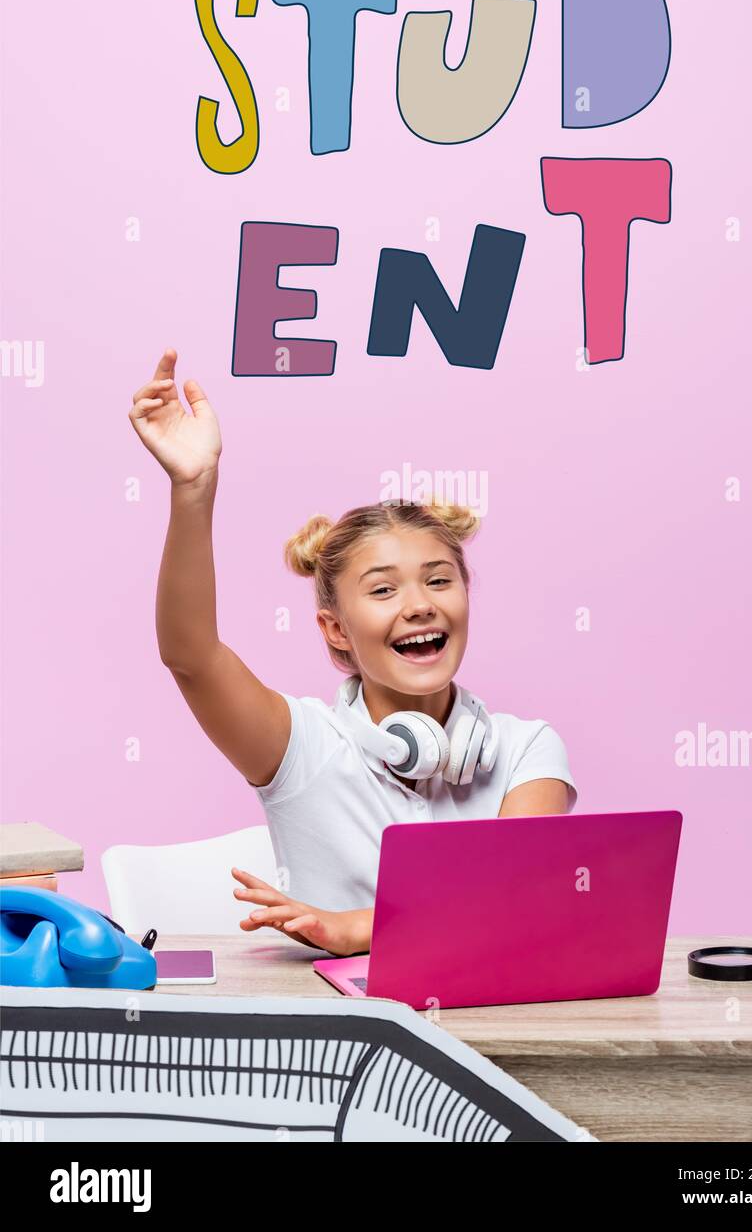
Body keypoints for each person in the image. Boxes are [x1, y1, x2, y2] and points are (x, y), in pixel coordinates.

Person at [129, 349, 577, 956]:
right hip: (332, 1031)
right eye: (384, 589)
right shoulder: (301, 747)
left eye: (439, 580)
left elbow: (514, 893)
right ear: (336, 629)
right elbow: (190, 655)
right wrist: (193, 488)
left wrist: (353, 928)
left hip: (491, 1019)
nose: (418, 605)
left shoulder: (527, 748)